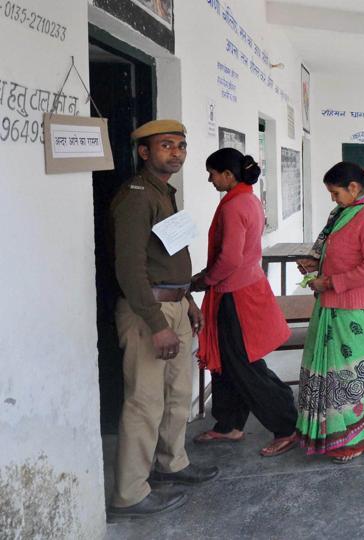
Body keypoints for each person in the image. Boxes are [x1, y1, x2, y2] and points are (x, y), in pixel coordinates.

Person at [107, 120, 218, 520]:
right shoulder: (137, 196)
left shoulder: (164, 193)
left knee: (176, 394)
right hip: (146, 312)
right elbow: (131, 268)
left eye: (181, 146)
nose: (176, 153)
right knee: (144, 402)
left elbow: (165, 257)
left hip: (173, 304)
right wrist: (157, 324)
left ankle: (172, 463)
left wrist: (186, 299)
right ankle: (130, 493)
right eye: (166, 146)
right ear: (144, 152)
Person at [191, 148, 297, 457]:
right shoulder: (248, 199)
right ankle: (229, 424)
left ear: (227, 174)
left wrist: (204, 279)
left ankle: (286, 425)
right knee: (227, 363)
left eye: (212, 173)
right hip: (239, 289)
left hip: (235, 295)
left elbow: (230, 258)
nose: (210, 179)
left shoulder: (234, 205)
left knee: (244, 365)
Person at [294, 162, 364, 461]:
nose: (333, 199)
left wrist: (330, 282)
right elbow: (335, 248)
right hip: (333, 303)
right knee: (331, 374)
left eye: (335, 193)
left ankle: (357, 438)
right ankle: (331, 433)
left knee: (350, 378)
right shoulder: (343, 212)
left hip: (356, 309)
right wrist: (316, 263)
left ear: (353, 188)